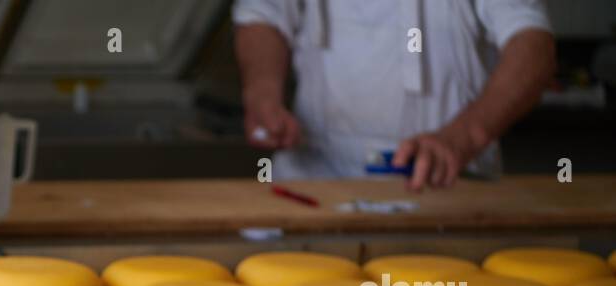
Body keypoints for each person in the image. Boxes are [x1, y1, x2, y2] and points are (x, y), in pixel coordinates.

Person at [233, 0, 556, 190]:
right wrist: (262, 94)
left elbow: (531, 46)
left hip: (446, 183)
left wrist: (463, 138)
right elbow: (262, 15)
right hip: (315, 179)